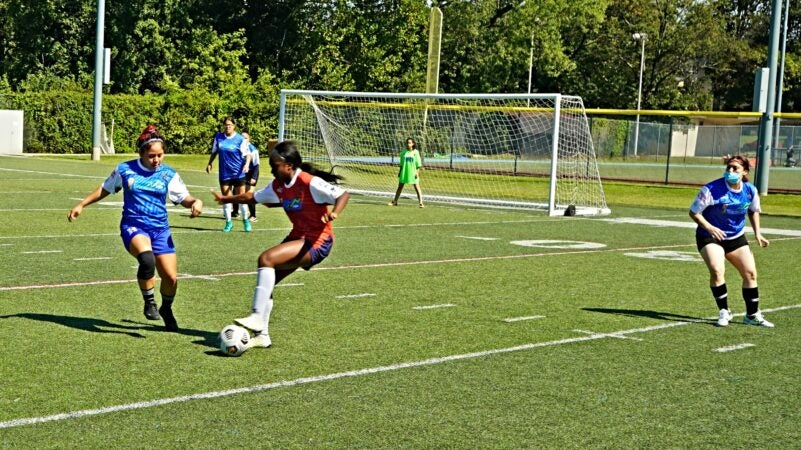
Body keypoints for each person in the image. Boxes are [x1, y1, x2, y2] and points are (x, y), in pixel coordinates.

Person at [212, 140, 349, 348]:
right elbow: (253, 197)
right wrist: (227, 199)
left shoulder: (308, 181)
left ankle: (257, 317)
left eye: (275, 165)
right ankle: (263, 336)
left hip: (318, 241)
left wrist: (334, 213)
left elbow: (342, 195)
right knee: (269, 283)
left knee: (266, 259)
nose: (271, 169)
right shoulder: (278, 186)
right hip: (298, 237)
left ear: (289, 165)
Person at [68, 125, 203, 332]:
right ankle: (149, 302)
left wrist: (195, 202)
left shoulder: (168, 174)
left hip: (160, 229)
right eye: (151, 156)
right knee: (147, 259)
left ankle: (166, 309)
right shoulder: (125, 169)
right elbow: (105, 188)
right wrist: (81, 204)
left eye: (160, 155)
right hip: (134, 225)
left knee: (170, 277)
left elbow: (183, 197)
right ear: (141, 153)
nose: (156, 160)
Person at [689, 154, 773, 328]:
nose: (731, 170)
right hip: (710, 236)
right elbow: (694, 212)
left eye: (735, 168)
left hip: (735, 237)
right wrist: (710, 227)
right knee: (717, 270)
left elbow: (753, 211)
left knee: (750, 274)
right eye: (729, 167)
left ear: (745, 172)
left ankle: (752, 315)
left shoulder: (750, 190)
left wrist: (758, 233)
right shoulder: (712, 189)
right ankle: (724, 311)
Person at [205, 117, 251, 232]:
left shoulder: (240, 139)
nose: (228, 127)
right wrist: (210, 163)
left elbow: (248, 154)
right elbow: (214, 151)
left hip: (238, 174)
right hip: (224, 174)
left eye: (230, 125)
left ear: (234, 126)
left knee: (241, 199)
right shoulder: (219, 137)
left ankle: (246, 220)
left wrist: (246, 165)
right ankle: (228, 223)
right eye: (226, 124)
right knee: (226, 198)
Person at [388, 137, 424, 207]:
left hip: (413, 173)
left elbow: (418, 165)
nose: (408, 144)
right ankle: (395, 201)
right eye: (407, 143)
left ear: (413, 144)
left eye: (410, 143)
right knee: (400, 187)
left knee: (417, 187)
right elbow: (401, 164)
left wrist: (417, 173)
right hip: (404, 172)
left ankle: (421, 203)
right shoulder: (403, 152)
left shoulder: (416, 152)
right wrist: (400, 172)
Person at [241, 132, 260, 222]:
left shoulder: (253, 149)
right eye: (242, 137)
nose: (243, 139)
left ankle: (253, 215)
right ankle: (235, 212)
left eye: (245, 138)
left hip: (251, 173)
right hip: (242, 173)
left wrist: (254, 177)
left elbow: (256, 165)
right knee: (236, 191)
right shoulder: (239, 147)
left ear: (249, 139)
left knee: (249, 195)